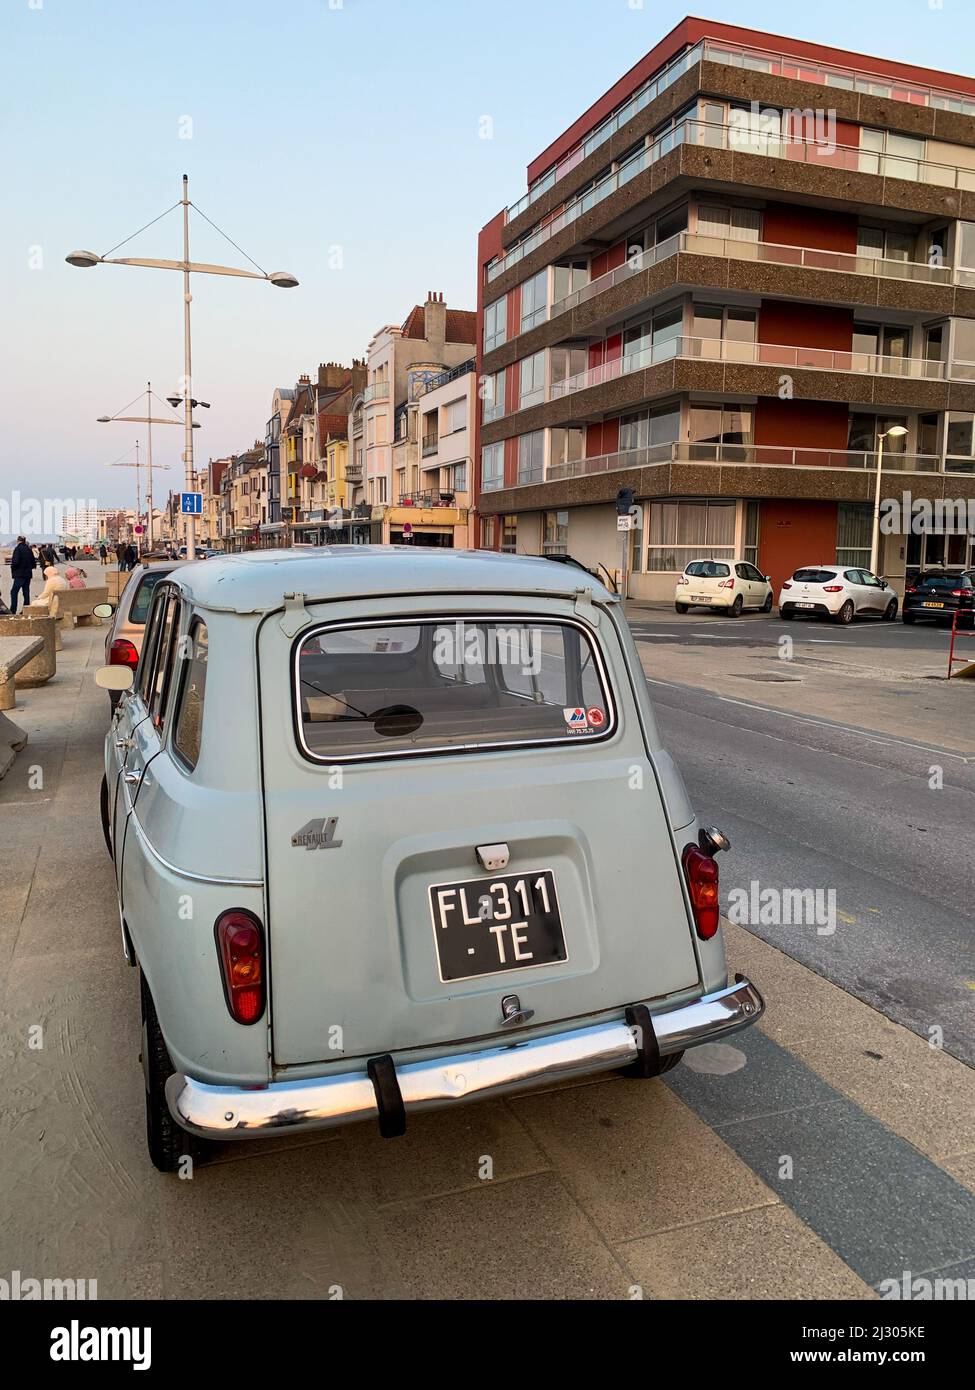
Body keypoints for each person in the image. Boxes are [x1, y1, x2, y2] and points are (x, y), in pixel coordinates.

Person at [9, 535, 36, 613]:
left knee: (14, 592)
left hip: (19, 575)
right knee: (26, 592)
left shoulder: (17, 549)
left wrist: (13, 570)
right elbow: (33, 563)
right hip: (28, 574)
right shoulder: (29, 549)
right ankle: (26, 610)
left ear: (18, 541)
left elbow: (15, 562)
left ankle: (13, 610)